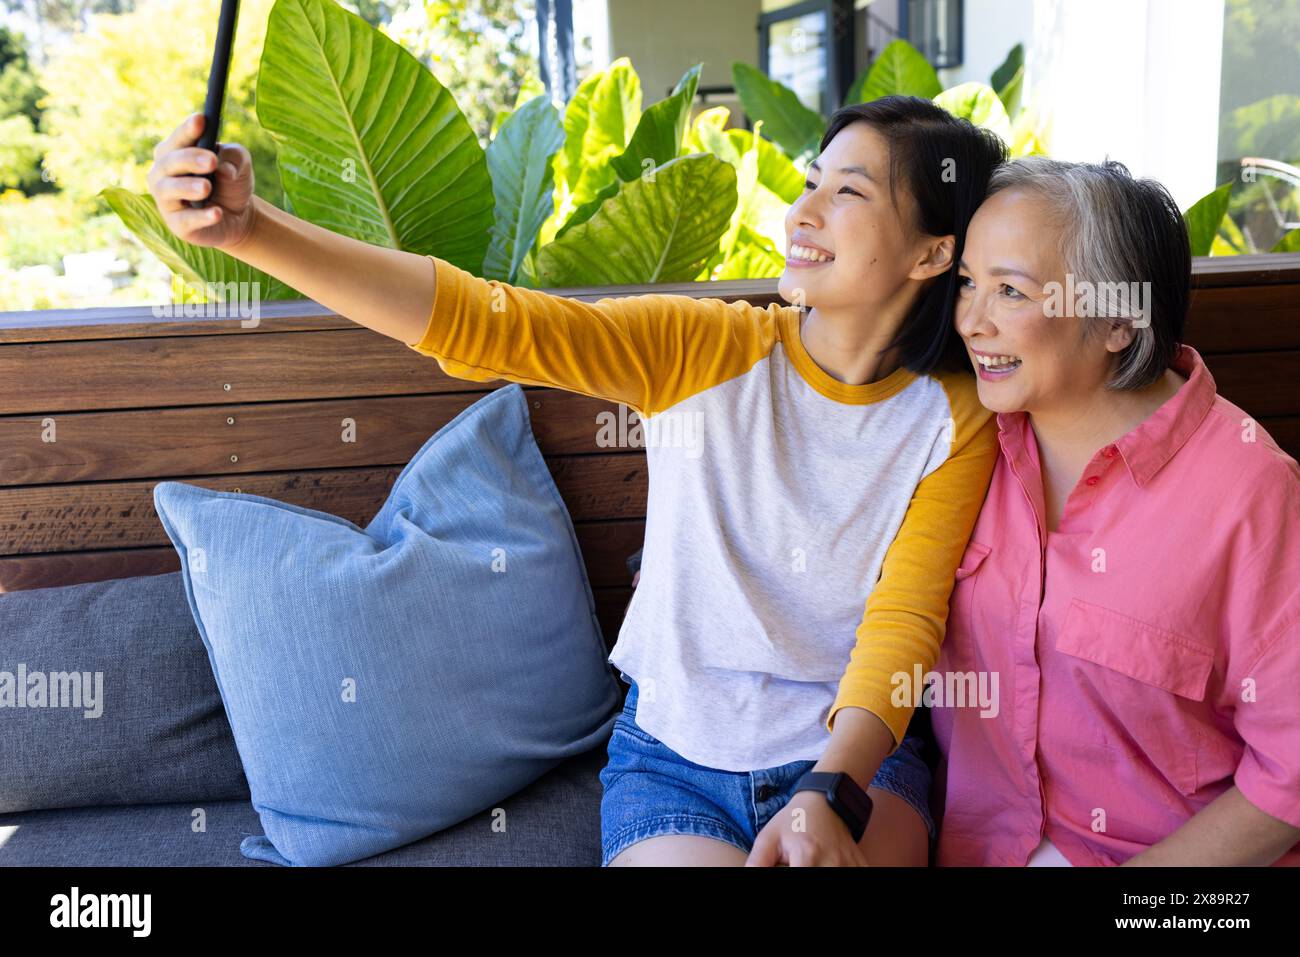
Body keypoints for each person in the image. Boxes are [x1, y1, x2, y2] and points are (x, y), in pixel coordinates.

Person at [146, 96, 1007, 866]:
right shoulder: (701, 349)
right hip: (676, 763)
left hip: (853, 758)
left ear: (933, 252)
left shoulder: (952, 418)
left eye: (848, 193)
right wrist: (250, 229)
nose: (802, 209)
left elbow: (904, 623)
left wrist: (830, 792)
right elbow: (487, 323)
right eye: (811, 180)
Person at [868, 157, 1300, 866]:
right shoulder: (961, 446)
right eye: (969, 284)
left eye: (1010, 290)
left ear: (1118, 322)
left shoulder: (1251, 489)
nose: (972, 321)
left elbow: (1291, 770)